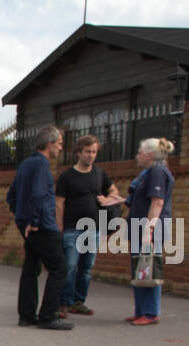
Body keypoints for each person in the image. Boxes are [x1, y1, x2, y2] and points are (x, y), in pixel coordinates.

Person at [6, 125, 73, 330]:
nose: (60, 148)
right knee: (59, 268)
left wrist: (22, 219)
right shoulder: (42, 165)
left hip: (29, 225)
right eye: (59, 144)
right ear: (50, 143)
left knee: (31, 268)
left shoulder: (26, 164)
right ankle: (48, 316)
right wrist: (33, 222)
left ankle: (26, 315)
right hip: (42, 226)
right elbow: (37, 195)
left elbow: (12, 196)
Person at [54, 135, 124, 315]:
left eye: (94, 152)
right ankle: (64, 302)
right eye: (87, 152)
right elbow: (59, 202)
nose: (91, 156)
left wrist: (108, 198)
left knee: (86, 268)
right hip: (72, 228)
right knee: (69, 266)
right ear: (78, 153)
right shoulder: (67, 176)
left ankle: (78, 301)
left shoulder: (100, 174)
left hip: (94, 229)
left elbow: (114, 191)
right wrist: (59, 226)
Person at [125, 137, 175, 325]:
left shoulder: (158, 172)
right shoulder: (148, 173)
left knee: (149, 268)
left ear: (150, 154)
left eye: (140, 152)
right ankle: (141, 310)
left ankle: (150, 312)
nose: (137, 155)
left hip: (150, 228)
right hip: (139, 226)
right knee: (140, 267)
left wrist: (149, 229)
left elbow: (157, 201)